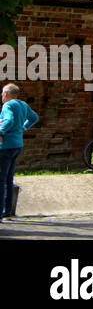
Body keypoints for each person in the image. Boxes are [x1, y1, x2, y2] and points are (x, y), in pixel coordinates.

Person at [0, 84, 39, 221]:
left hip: (5, 146)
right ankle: (7, 209)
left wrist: (0, 131)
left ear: (6, 94)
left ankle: (1, 211)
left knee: (1, 179)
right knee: (9, 179)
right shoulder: (23, 105)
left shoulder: (8, 106)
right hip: (17, 145)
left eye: (2, 94)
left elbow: (9, 120)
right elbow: (34, 117)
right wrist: (24, 127)